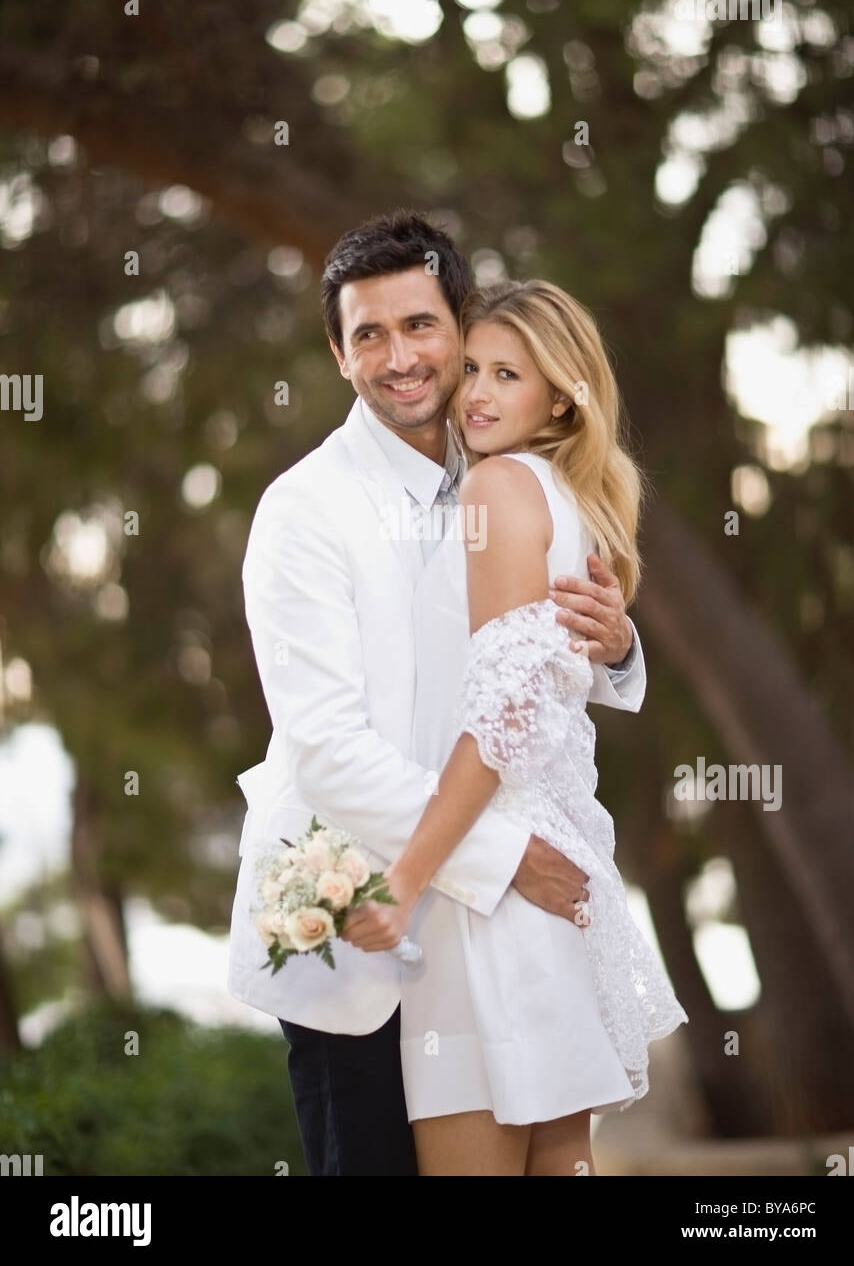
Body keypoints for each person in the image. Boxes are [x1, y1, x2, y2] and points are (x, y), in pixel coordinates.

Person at [227, 212, 646, 1176]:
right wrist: (502, 855)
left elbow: (532, 671)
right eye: (367, 334)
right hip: (361, 931)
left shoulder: (504, 470)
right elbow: (328, 749)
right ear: (337, 355)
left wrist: (618, 648)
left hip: (490, 933)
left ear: (460, 329)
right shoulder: (304, 510)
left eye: (420, 326)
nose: (399, 356)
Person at [342, 278, 688, 1176]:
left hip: (490, 894)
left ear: (562, 392)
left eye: (510, 375)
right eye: (475, 371)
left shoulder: (497, 486)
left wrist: (406, 878)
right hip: (555, 881)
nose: (480, 394)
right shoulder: (569, 499)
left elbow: (503, 715)